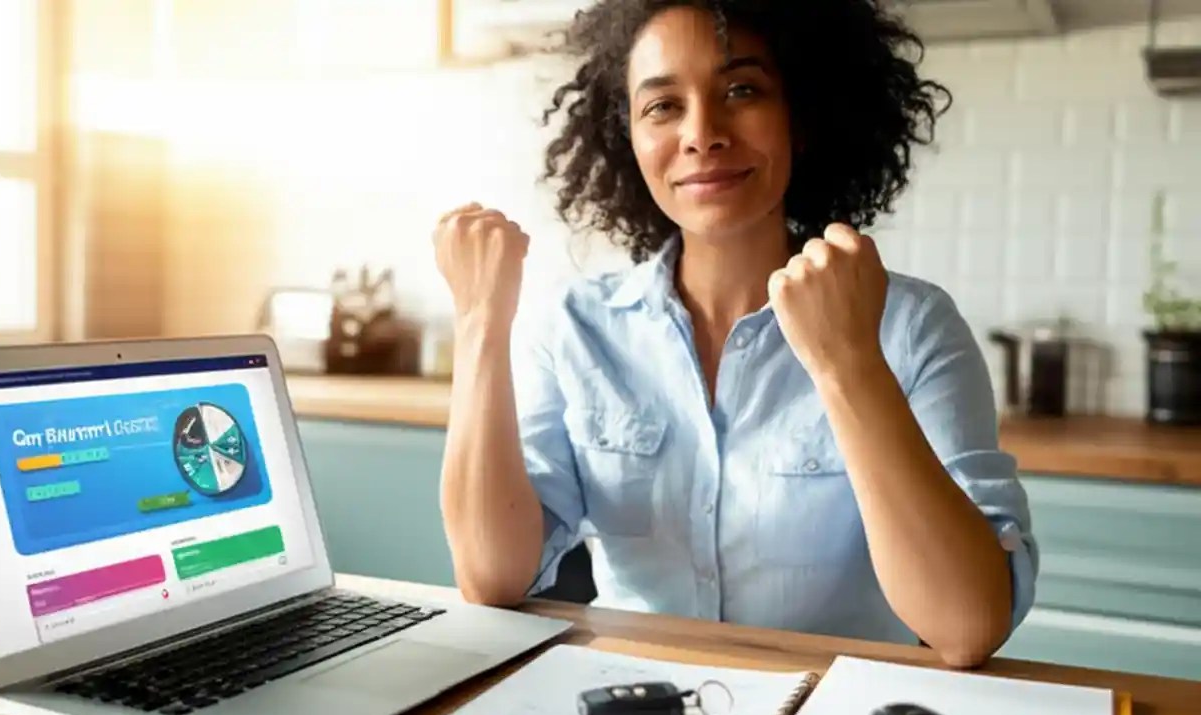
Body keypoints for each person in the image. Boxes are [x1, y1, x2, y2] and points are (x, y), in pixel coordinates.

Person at [432, 0, 1038, 669]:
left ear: (802, 118)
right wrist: (480, 324)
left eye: (741, 90)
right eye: (663, 106)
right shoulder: (575, 326)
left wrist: (847, 364)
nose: (702, 133)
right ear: (627, 137)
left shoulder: (913, 326)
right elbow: (491, 577)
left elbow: (967, 626)